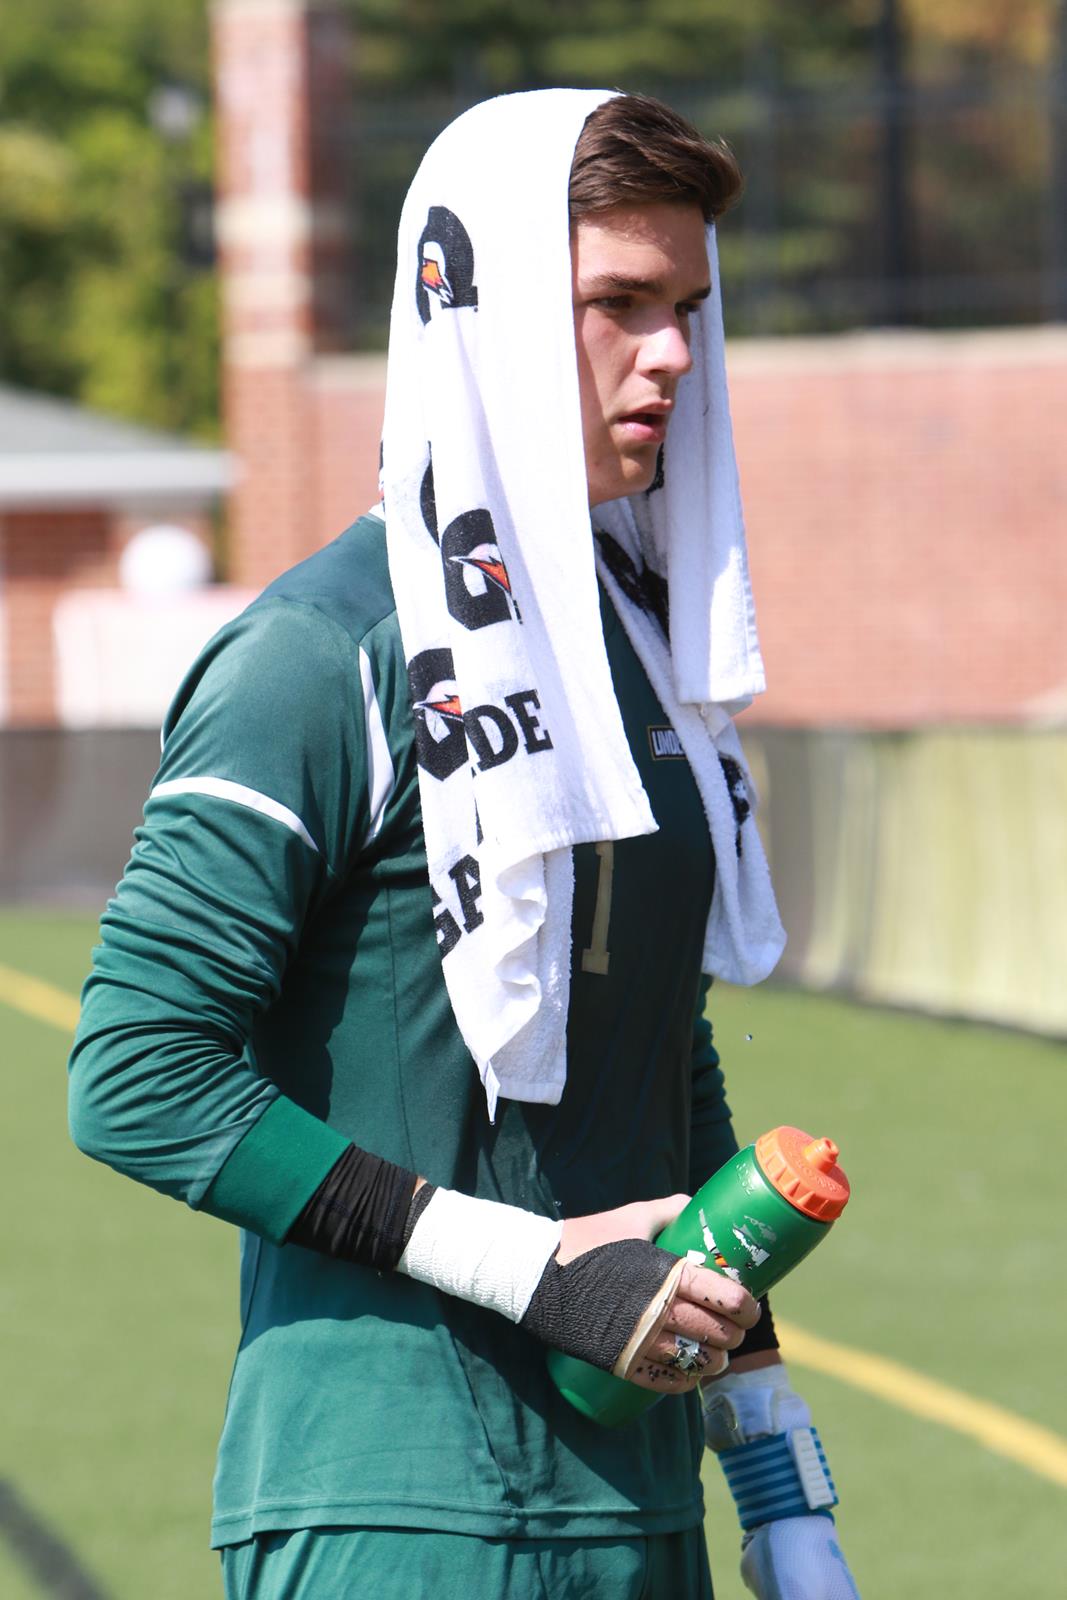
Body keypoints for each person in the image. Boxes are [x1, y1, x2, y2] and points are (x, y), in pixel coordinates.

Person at [68, 90, 861, 1599]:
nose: (678, 355)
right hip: (399, 1516)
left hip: (641, 1512)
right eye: (619, 305)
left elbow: (655, 1059)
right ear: (476, 315)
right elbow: (135, 1074)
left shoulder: (642, 661)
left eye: (690, 306)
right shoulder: (321, 656)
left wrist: (775, 1468)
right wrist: (530, 1266)